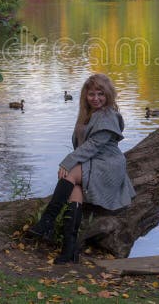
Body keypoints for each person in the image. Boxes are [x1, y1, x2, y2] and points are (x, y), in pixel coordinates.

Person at [24, 73, 135, 263]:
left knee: (68, 175)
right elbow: (84, 146)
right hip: (92, 161)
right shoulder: (88, 114)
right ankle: (70, 249)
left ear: (108, 95)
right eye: (92, 94)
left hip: (107, 164)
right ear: (85, 96)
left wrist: (67, 162)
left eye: (101, 94)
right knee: (74, 188)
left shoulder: (108, 116)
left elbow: (93, 145)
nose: (96, 98)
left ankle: (47, 222)